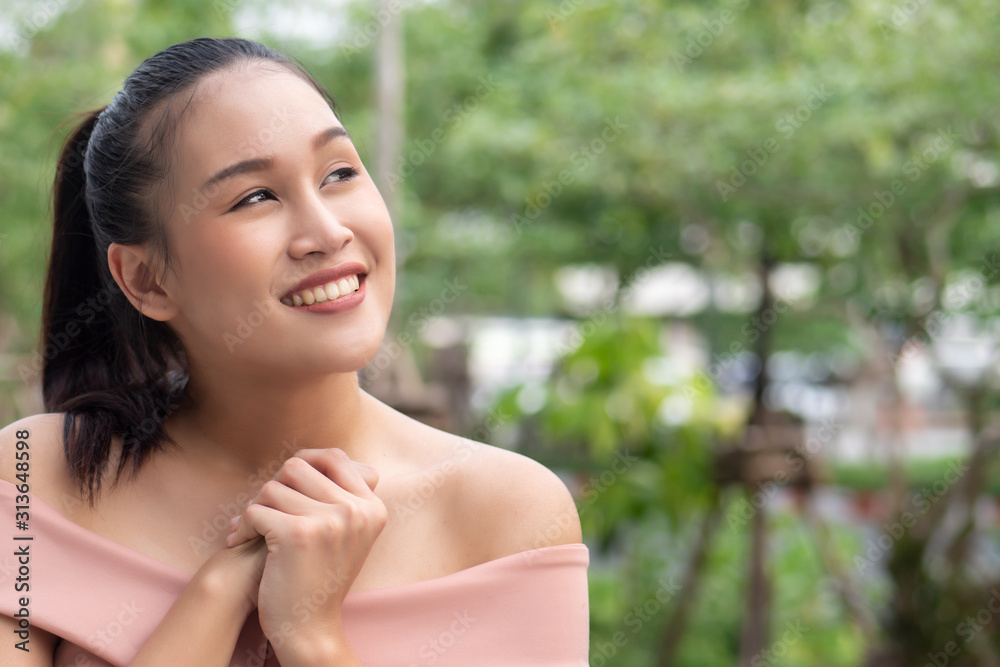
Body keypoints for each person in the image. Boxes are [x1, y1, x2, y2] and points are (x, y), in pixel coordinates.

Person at [0, 37, 589, 666]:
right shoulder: (34, 477)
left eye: (338, 173)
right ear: (146, 279)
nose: (327, 232)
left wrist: (312, 637)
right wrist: (221, 588)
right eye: (256, 197)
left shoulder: (506, 514)